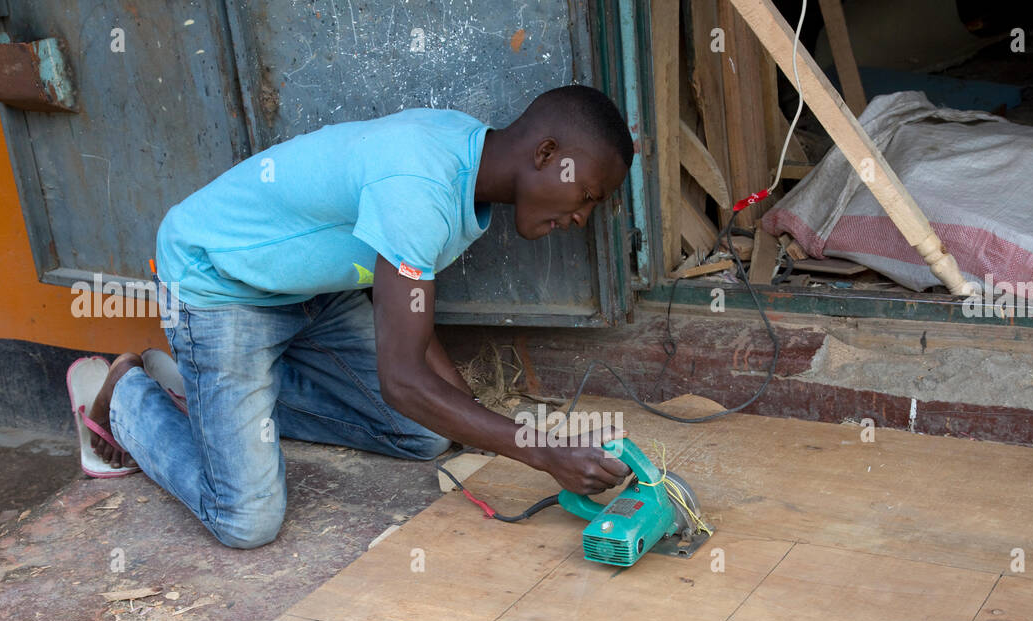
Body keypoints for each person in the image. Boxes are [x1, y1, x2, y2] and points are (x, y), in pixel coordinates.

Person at [77, 85, 634, 549]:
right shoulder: (421, 186)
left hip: (315, 293)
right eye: (585, 194)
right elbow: (402, 378)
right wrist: (538, 451)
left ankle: (205, 394)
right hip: (221, 286)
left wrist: (478, 422)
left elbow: (408, 314)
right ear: (545, 153)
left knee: (426, 434)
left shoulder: (468, 158)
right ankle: (128, 395)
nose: (582, 217)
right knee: (245, 520)